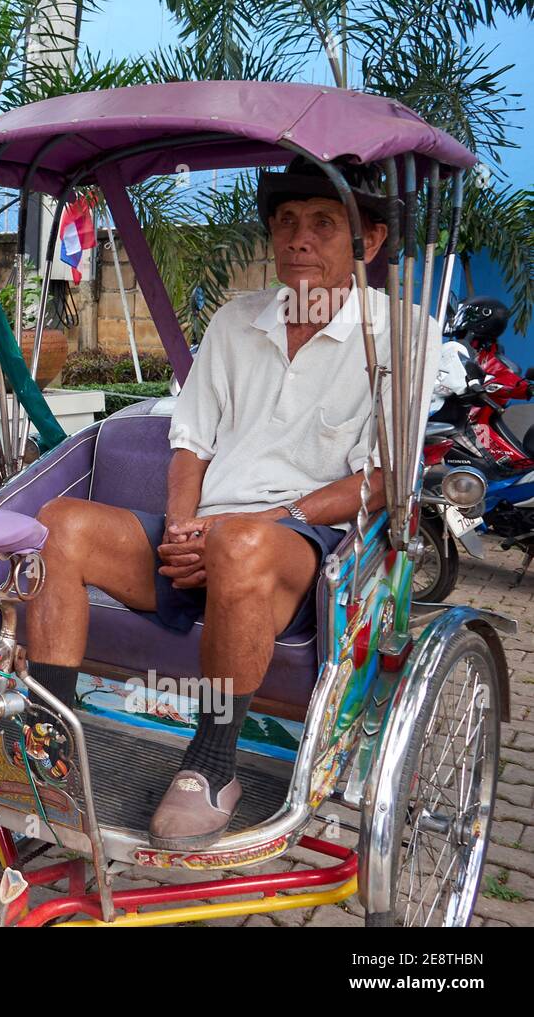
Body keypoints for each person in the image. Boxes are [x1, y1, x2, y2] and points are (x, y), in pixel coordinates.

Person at [24, 157, 438, 850]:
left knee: (240, 543)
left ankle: (213, 764)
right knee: (57, 526)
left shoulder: (401, 333)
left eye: (323, 224)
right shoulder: (237, 320)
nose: (299, 239)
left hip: (301, 544)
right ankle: (45, 744)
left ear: (367, 242)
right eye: (286, 223)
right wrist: (184, 526)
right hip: (204, 532)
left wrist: (261, 524)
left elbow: (387, 477)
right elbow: (190, 441)